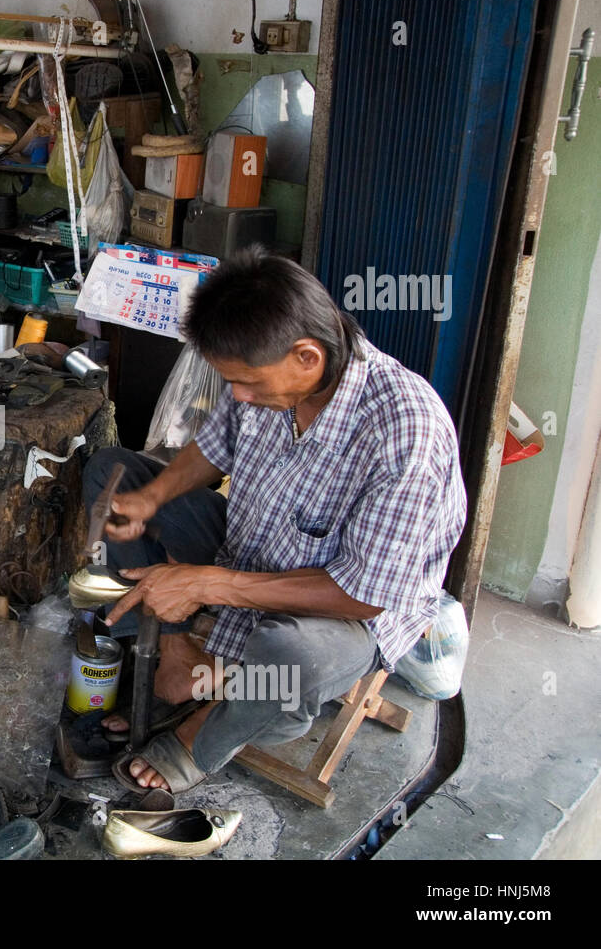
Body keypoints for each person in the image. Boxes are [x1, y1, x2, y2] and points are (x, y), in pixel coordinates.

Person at [83, 246, 467, 793]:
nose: (238, 397)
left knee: (293, 656)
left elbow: (362, 595)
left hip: (343, 609)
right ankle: (179, 651)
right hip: (248, 547)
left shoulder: (407, 432)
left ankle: (201, 734)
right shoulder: (268, 373)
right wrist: (151, 499)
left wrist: (208, 582)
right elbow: (216, 447)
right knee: (112, 474)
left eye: (248, 385)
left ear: (308, 357)